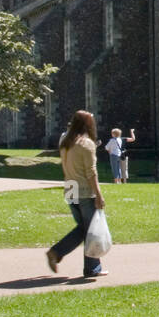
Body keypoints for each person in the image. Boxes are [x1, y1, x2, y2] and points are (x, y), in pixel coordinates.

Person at [46, 110, 108, 278]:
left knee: (85, 228)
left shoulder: (65, 141)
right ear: (87, 125)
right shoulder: (86, 143)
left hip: (70, 187)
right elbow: (91, 172)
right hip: (84, 190)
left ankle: (86, 264)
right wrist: (99, 195)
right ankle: (87, 266)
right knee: (91, 230)